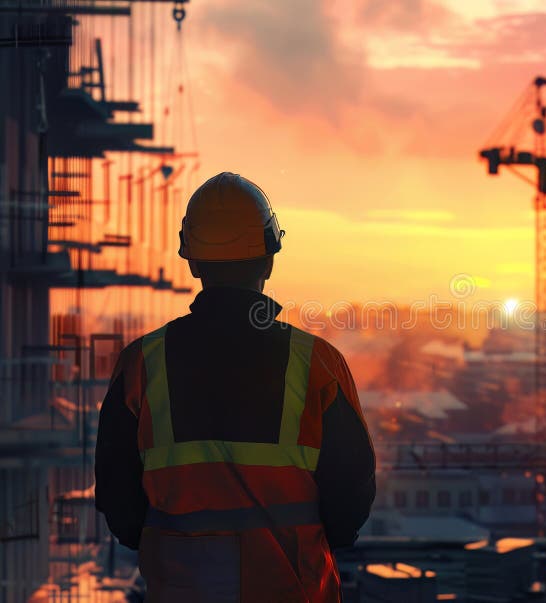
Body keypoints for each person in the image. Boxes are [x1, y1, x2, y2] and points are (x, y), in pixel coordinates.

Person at [95, 172, 376, 603]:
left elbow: (120, 504)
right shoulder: (318, 364)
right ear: (268, 259)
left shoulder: (141, 364)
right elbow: (350, 500)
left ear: (192, 261)